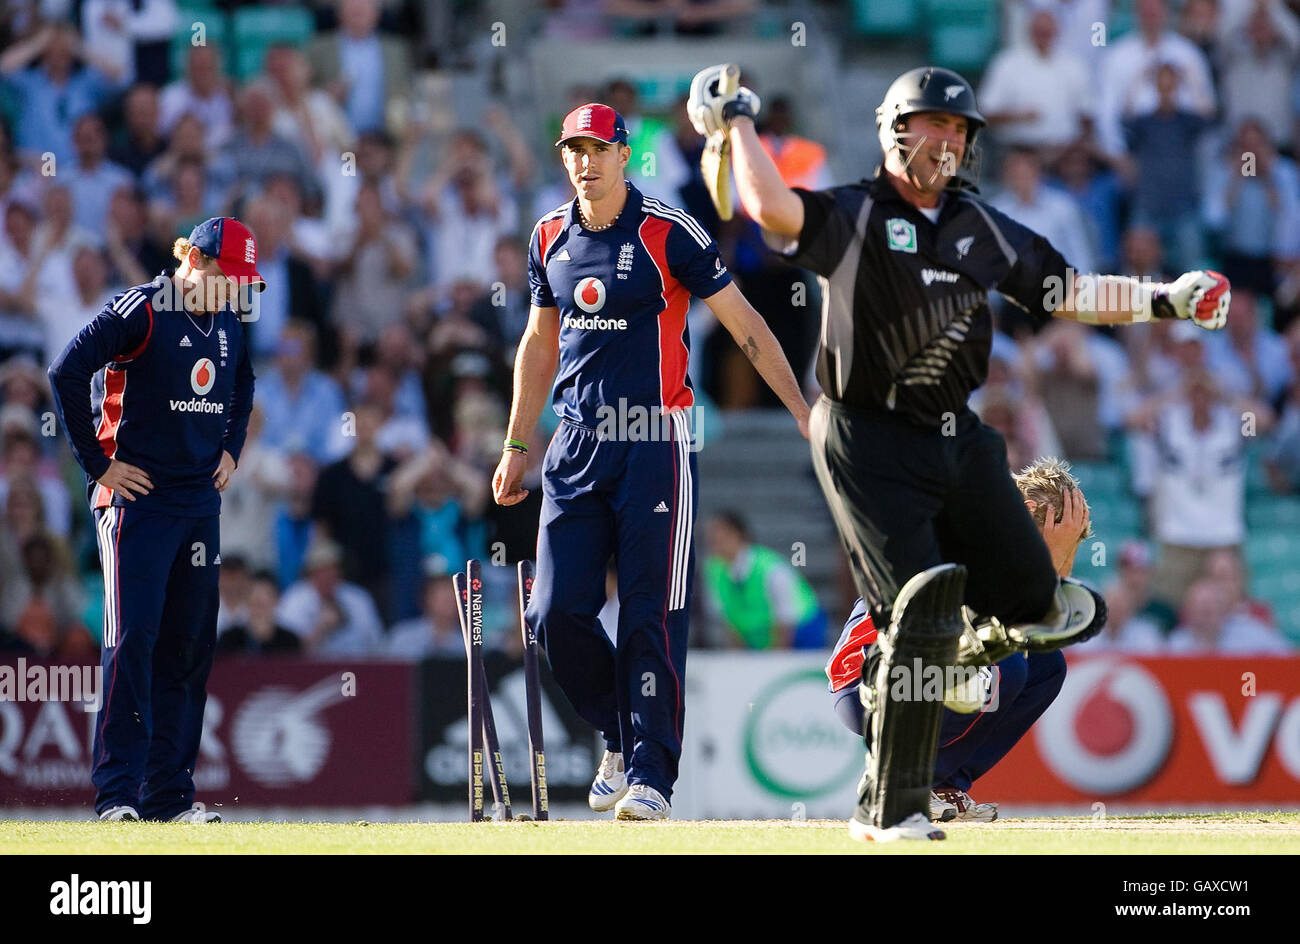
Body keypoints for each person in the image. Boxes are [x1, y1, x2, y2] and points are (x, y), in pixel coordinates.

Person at [693, 62, 1231, 841]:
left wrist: (1163, 299)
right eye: (929, 126)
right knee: (919, 613)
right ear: (893, 131)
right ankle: (893, 798)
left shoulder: (979, 227)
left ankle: (956, 690)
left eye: (956, 129)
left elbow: (1069, 291)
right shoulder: (858, 214)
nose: (944, 141)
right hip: (866, 437)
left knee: (1040, 611)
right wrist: (738, 121)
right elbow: (772, 210)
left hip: (954, 432)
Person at [492, 102, 809, 822]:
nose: (585, 161)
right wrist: (516, 444)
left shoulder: (669, 230)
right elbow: (539, 348)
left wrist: (800, 407)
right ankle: (619, 728)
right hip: (575, 445)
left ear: (625, 154)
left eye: (599, 148)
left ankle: (651, 775)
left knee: (649, 614)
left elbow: (746, 325)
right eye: (573, 148)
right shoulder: (548, 235)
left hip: (657, 442)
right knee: (551, 612)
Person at [47, 216, 261, 823]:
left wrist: (231, 450)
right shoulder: (140, 310)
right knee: (131, 641)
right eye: (228, 276)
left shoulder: (229, 320)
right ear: (192, 258)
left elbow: (243, 385)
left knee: (188, 648)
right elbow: (66, 371)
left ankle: (170, 798)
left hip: (198, 504)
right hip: (137, 502)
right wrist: (98, 467)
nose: (236, 291)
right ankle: (117, 795)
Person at [826, 458, 1089, 822]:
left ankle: (943, 783)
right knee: (1003, 666)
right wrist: (1054, 559)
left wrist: (1059, 556)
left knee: (1046, 665)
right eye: (1062, 536)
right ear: (1030, 512)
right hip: (865, 683)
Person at [703, 509, 827, 649]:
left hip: (802, 633)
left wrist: (774, 660)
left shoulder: (771, 568)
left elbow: (785, 624)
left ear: (737, 534)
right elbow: (728, 620)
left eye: (718, 532)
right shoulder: (714, 570)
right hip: (759, 637)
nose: (712, 538)